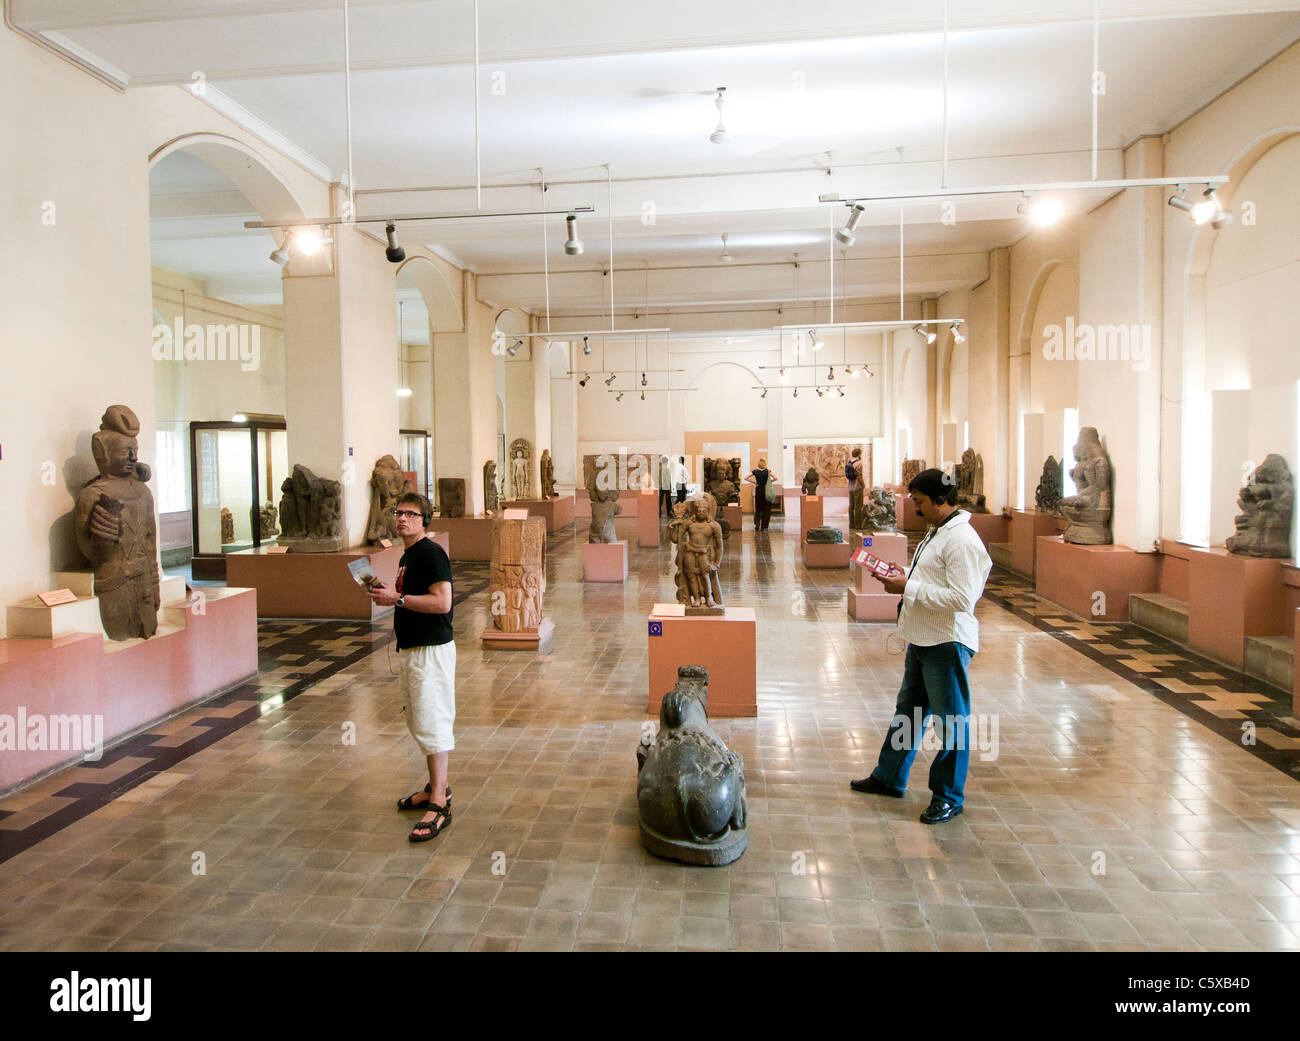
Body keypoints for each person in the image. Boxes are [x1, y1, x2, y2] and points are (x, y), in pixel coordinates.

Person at [851, 468, 992, 825]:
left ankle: (948, 797)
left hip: (947, 642)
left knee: (950, 723)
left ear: (941, 500)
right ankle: (890, 776)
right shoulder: (939, 532)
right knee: (909, 713)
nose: (915, 508)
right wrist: (906, 574)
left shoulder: (963, 540)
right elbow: (935, 579)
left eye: (920, 501)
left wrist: (908, 588)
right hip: (923, 636)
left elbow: (963, 598)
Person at [368, 492, 456, 842]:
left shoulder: (431, 554)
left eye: (410, 514)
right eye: (398, 512)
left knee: (433, 721)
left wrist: (398, 598)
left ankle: (439, 803)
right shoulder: (410, 554)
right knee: (420, 718)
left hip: (430, 651)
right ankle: (436, 786)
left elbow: (443, 602)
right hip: (414, 649)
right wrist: (392, 593)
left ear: (425, 520)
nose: (402, 518)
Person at [743, 457, 777, 531]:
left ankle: (757, 525)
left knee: (758, 509)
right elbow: (775, 478)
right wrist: (769, 482)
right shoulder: (767, 471)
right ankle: (765, 527)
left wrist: (755, 483)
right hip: (766, 491)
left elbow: (745, 478)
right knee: (766, 509)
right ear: (765, 463)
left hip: (758, 490)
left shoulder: (755, 471)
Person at [848, 446, 865, 530]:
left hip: (850, 487)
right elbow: (859, 476)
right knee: (858, 506)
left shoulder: (850, 462)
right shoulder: (859, 463)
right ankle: (858, 525)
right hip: (857, 487)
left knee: (851, 506)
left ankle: (851, 524)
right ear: (859, 454)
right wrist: (863, 485)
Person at [658, 455, 674, 519]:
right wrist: (670, 488)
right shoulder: (667, 469)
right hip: (666, 487)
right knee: (668, 501)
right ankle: (669, 514)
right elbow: (668, 479)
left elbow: (658, 478)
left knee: (660, 501)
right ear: (666, 462)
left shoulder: (659, 469)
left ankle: (659, 514)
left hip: (661, 486)